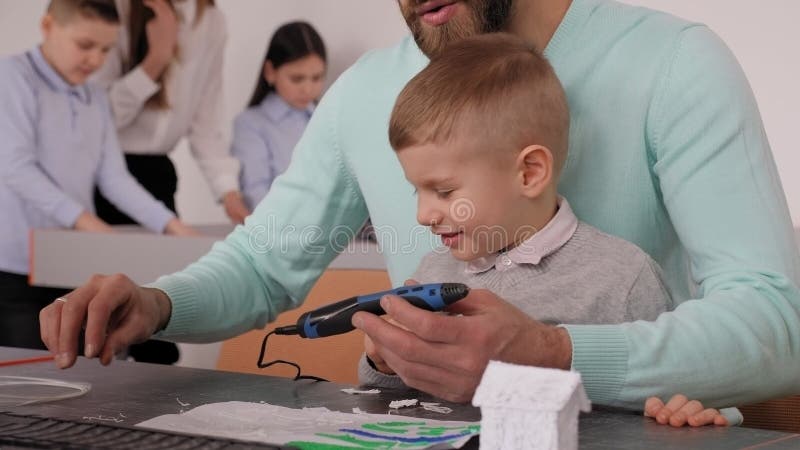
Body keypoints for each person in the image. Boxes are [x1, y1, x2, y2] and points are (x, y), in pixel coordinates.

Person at [41, 0, 800, 416]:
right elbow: (264, 264)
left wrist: (551, 356)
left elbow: (775, 324)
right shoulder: (366, 92)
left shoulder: (674, 64)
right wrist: (157, 302)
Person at [356, 32, 736, 427]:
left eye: (444, 191)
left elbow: (687, 391)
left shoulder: (622, 278)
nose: (423, 214)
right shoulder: (434, 272)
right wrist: (382, 362)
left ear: (529, 172)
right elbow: (396, 403)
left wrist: (693, 410)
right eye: (416, 190)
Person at [0, 0, 194, 351]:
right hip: (14, 267)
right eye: (85, 46)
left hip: (71, 263)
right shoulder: (12, 76)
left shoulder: (95, 97)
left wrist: (170, 225)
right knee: (26, 377)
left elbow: (113, 179)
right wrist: (86, 222)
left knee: (78, 371)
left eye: (105, 49)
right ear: (47, 27)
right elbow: (14, 166)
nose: (96, 60)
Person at [92, 0, 248, 224]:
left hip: (159, 178)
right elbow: (97, 119)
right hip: (105, 175)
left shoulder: (211, 21)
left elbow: (206, 125)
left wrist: (229, 193)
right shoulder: (116, 9)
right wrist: (156, 60)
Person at [232, 21, 326, 211]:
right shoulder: (250, 124)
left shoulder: (327, 120)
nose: (308, 89)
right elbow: (256, 193)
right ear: (270, 72)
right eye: (296, 78)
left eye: (316, 78)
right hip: (281, 232)